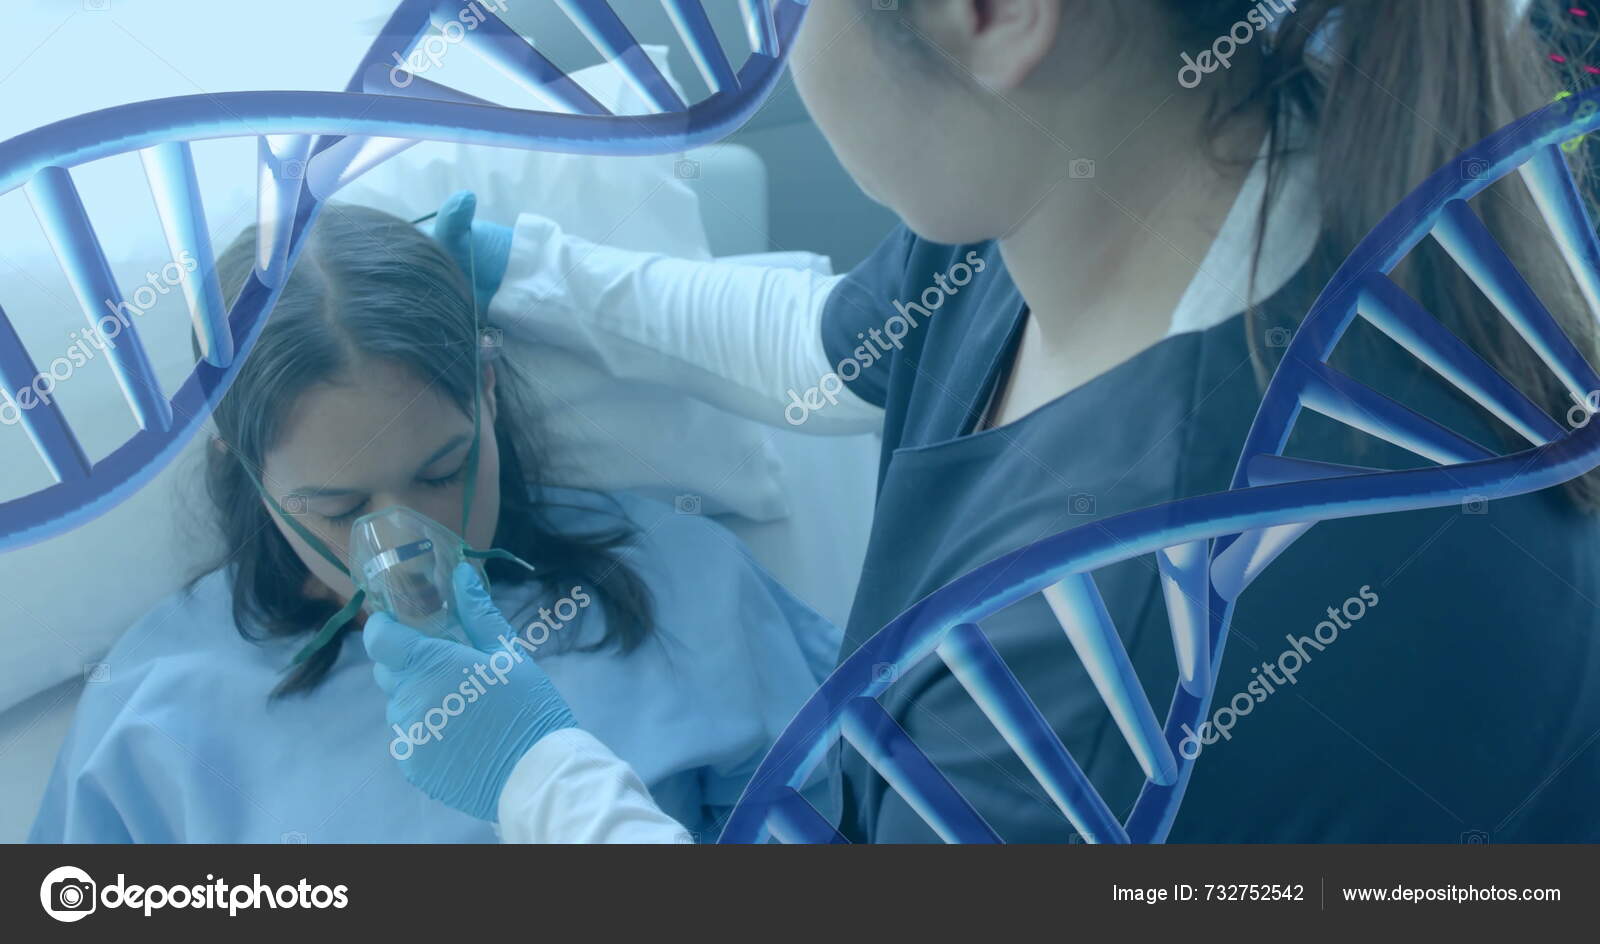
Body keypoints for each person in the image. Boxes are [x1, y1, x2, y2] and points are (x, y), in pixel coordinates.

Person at [369, 0, 1600, 842]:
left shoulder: (1117, 634)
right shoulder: (1138, 166)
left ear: (996, 15)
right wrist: (532, 270)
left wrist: (531, 764)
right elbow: (836, 347)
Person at [29, 201, 839, 843]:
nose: (406, 545)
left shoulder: (682, 585)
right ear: (240, 466)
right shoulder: (150, 715)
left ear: (488, 389)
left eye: (442, 472)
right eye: (340, 509)